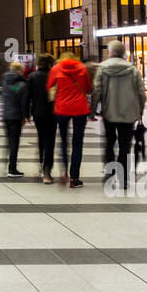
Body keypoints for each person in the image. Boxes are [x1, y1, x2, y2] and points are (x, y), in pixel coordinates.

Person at [91, 41, 146, 191]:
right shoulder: (133, 69)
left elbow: (96, 91)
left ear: (111, 52)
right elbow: (141, 93)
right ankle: (124, 179)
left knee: (109, 143)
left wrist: (93, 110)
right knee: (125, 146)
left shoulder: (102, 68)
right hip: (129, 114)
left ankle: (110, 172)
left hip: (109, 112)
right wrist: (140, 111)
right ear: (123, 53)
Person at [47, 50, 93, 189]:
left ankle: (64, 171)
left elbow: (49, 86)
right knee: (77, 143)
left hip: (62, 108)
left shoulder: (56, 68)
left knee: (63, 141)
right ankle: (75, 178)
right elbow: (88, 88)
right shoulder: (82, 68)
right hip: (80, 108)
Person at [25, 54, 58, 183]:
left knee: (41, 138)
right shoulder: (54, 76)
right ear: (50, 63)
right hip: (52, 112)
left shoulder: (32, 76)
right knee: (50, 140)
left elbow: (27, 96)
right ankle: (47, 170)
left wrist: (26, 114)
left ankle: (41, 163)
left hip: (37, 113)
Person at [0, 62, 29, 177]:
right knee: (14, 142)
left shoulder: (5, 82)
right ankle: (12, 168)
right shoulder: (21, 84)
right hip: (16, 117)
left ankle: (7, 162)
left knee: (9, 141)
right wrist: (25, 116)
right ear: (19, 71)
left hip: (6, 115)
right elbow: (23, 102)